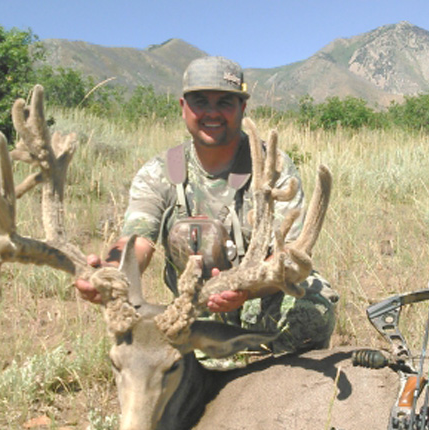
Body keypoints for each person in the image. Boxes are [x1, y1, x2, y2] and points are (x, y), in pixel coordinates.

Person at [75, 56, 338, 359]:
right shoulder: (160, 171)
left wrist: (245, 289)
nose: (212, 113)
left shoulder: (272, 166)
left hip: (260, 301)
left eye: (225, 102)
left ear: (243, 108)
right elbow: (136, 241)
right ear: (183, 107)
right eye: (200, 102)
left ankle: (282, 391)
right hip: (194, 307)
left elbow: (289, 255)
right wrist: (110, 270)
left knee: (312, 311)